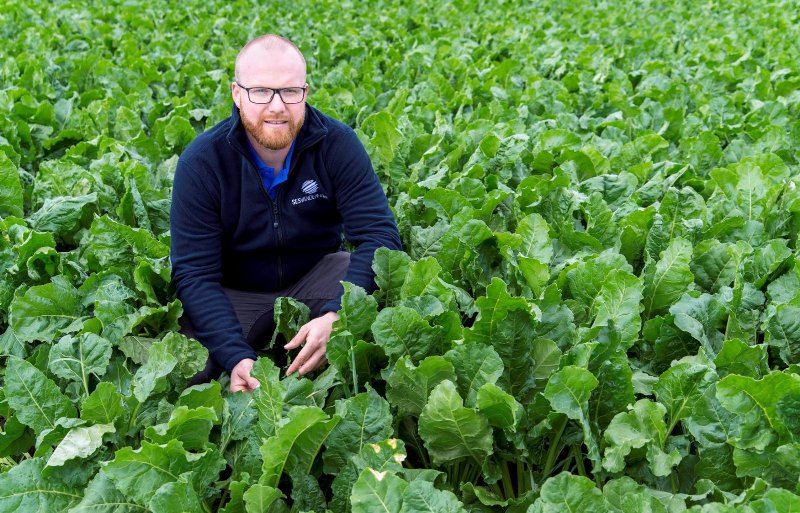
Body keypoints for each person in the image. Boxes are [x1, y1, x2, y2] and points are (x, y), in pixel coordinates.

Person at [169, 34, 401, 392]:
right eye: (261, 91)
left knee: (389, 308)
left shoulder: (337, 145)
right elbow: (194, 274)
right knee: (191, 369)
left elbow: (380, 236)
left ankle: (328, 347)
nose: (277, 106)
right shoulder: (202, 162)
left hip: (317, 276)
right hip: (237, 292)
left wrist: (338, 313)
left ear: (305, 93)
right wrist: (235, 356)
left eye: (290, 92)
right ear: (236, 94)